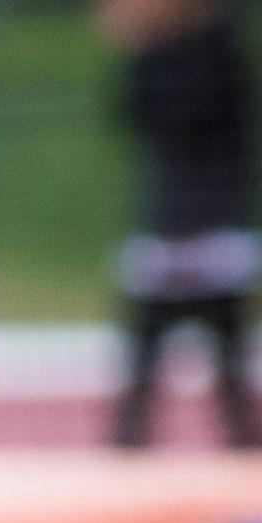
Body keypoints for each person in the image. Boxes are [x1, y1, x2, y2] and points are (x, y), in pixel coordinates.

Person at [102, 0, 261, 449]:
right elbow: (134, 116)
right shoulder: (182, 56)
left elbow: (186, 113)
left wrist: (148, 44)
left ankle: (240, 449)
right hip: (171, 220)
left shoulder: (217, 54)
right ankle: (130, 448)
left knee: (226, 357)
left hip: (210, 222)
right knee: (146, 360)